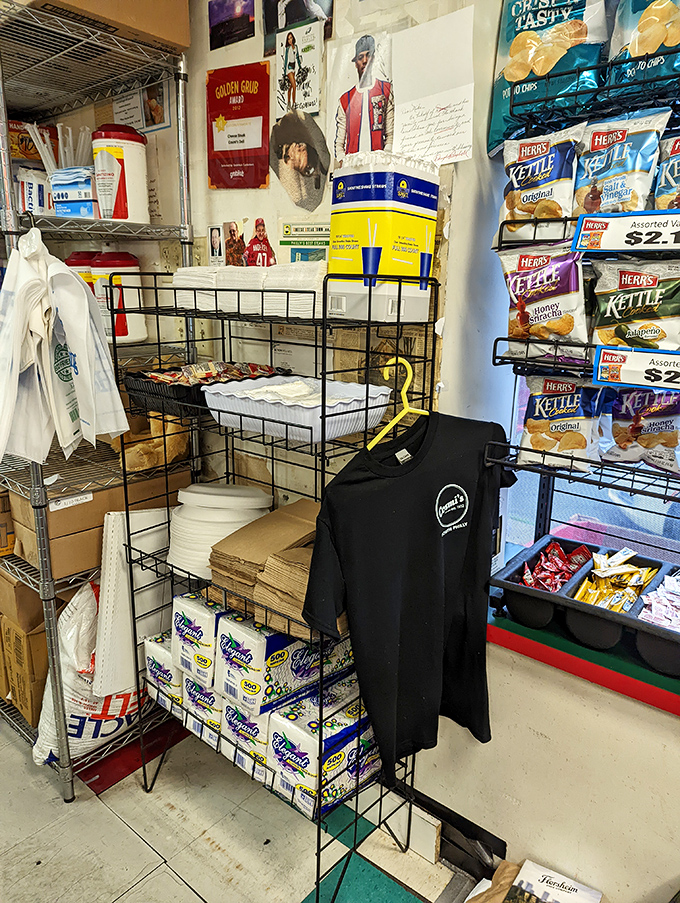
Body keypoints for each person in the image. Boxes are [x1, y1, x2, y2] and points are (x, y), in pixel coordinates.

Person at [334, 34, 394, 164]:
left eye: (369, 55)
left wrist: (385, 157)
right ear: (355, 63)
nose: (365, 61)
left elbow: (390, 134)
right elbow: (340, 142)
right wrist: (342, 160)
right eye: (361, 57)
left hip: (379, 165)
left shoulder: (386, 90)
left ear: (374, 58)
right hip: (353, 168)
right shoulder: (345, 100)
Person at [283, 31, 303, 110]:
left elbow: (297, 57)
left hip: (294, 67)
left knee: (291, 86)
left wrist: (300, 67)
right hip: (289, 68)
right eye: (288, 39)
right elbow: (286, 60)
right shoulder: (287, 49)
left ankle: (288, 102)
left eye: (291, 38)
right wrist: (285, 73)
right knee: (294, 86)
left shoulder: (296, 47)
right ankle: (294, 103)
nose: (290, 40)